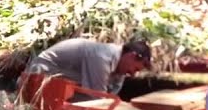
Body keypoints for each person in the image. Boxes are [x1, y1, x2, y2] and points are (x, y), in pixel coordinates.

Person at [21, 38, 152, 96]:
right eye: (136, 69)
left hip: (62, 83)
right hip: (41, 76)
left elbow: (111, 97)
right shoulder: (102, 57)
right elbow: (97, 98)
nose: (133, 74)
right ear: (132, 56)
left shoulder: (121, 68)